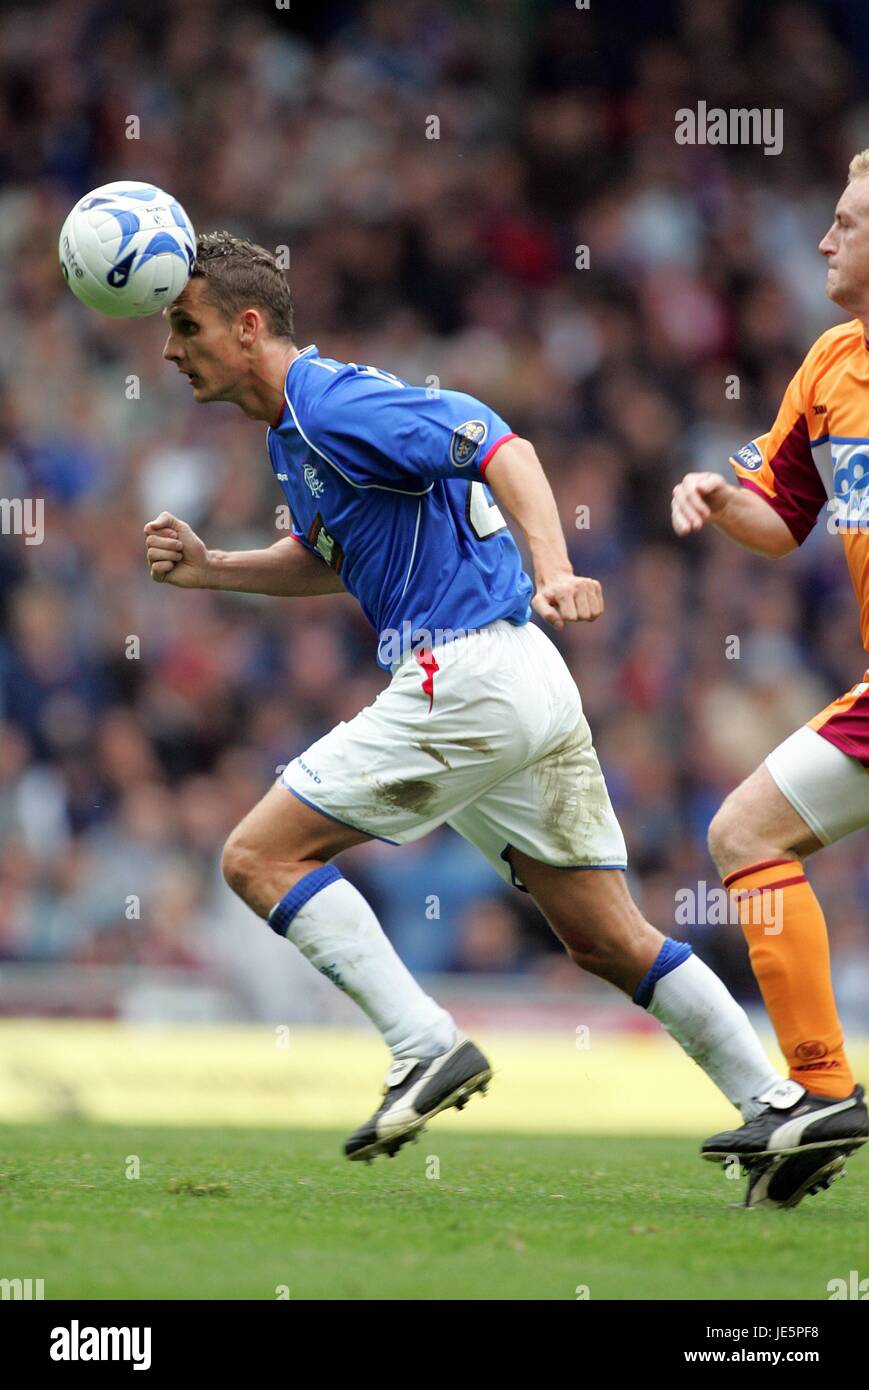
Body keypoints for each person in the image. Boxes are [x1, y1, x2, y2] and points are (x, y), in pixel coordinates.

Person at [145, 231, 790, 1196]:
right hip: (521, 682)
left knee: (256, 857)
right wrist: (216, 568)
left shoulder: (332, 400)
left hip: (470, 673)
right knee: (607, 937)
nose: (168, 349)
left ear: (247, 328)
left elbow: (498, 442)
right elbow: (333, 557)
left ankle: (423, 1045)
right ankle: (776, 1109)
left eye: (184, 325)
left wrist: (556, 569)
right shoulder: (296, 432)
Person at [671, 152, 869, 1207]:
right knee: (743, 833)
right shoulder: (829, 365)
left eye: (844, 223)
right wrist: (716, 490)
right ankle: (821, 1094)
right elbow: (781, 518)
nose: (824, 240)